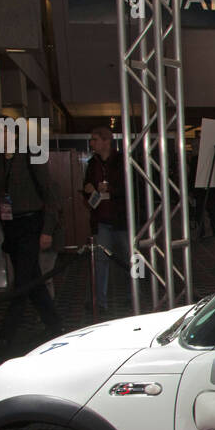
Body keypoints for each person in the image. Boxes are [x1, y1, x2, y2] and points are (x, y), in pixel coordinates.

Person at [0, 124, 62, 348]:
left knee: (22, 282)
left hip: (31, 223)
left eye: (3, 131)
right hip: (10, 227)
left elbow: (50, 195)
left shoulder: (31, 157)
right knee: (32, 280)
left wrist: (47, 229)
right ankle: (55, 325)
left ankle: (6, 334)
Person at [81, 126, 129, 313]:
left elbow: (130, 188)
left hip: (122, 220)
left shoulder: (121, 161)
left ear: (106, 141)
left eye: (95, 139)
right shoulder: (92, 163)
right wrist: (89, 190)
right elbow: (86, 186)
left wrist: (109, 189)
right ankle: (100, 302)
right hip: (101, 220)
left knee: (129, 260)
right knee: (100, 260)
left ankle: (132, 296)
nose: (92, 143)